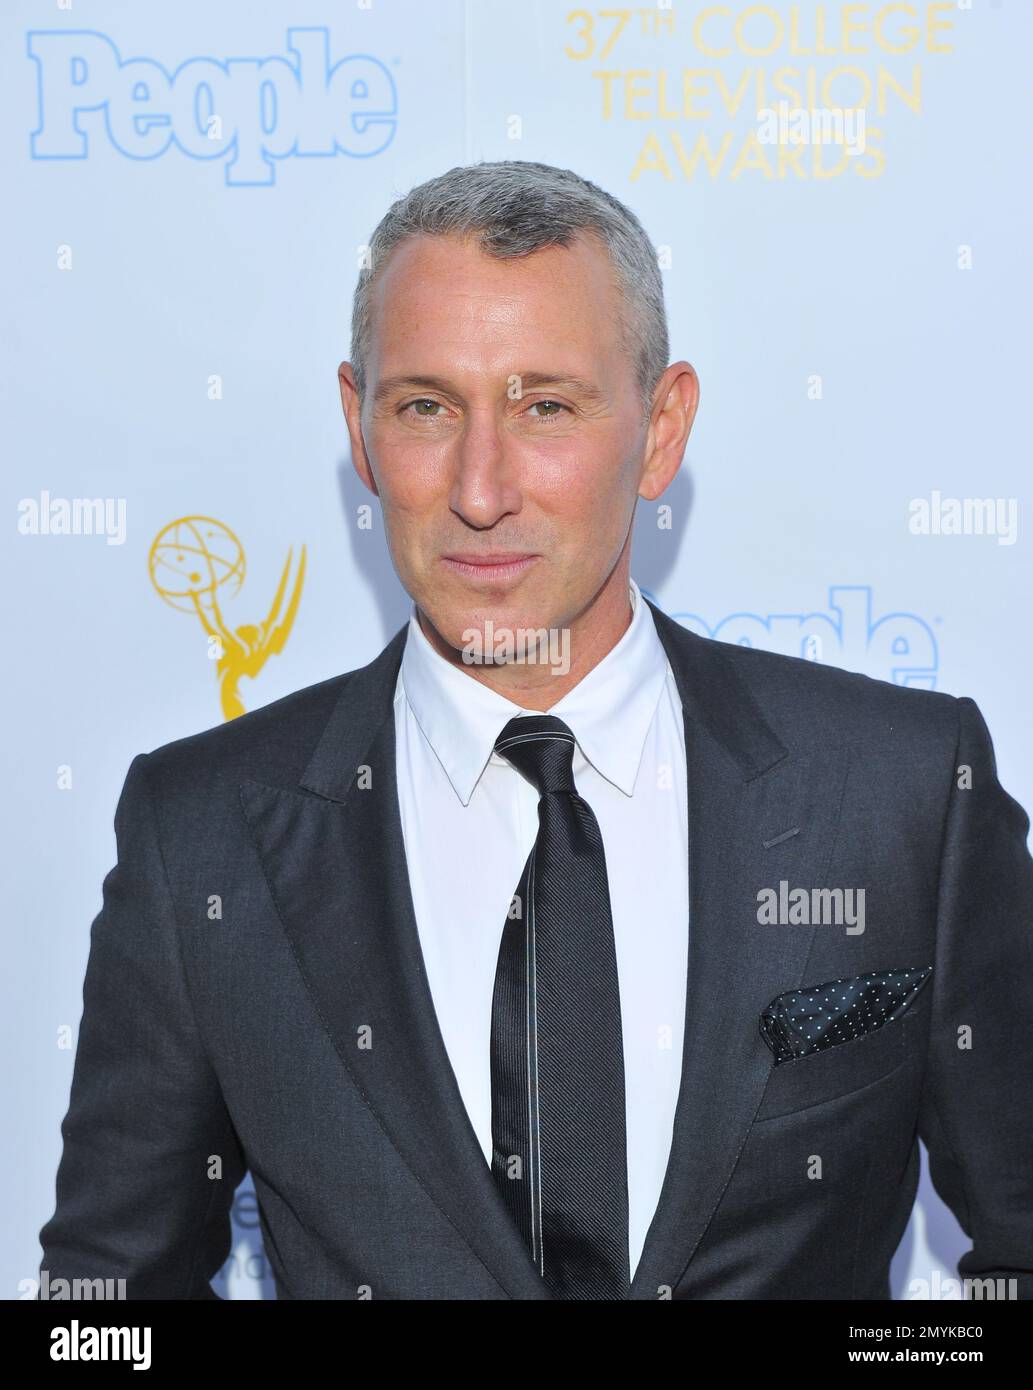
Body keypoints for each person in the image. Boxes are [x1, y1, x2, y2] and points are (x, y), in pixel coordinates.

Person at [39, 160, 1033, 1300]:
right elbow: (101, 1309)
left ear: (659, 433)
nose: (479, 487)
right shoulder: (202, 834)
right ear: (358, 430)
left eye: (543, 405)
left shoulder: (899, 794)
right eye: (425, 407)